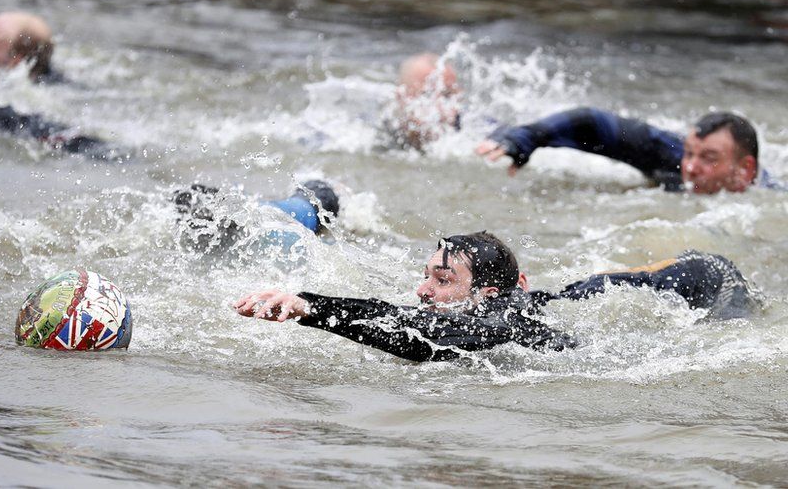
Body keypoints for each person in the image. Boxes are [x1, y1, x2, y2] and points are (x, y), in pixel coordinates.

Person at [235, 232, 760, 362]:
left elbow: (426, 341)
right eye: (425, 276)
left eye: (442, 281)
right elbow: (396, 315)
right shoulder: (477, 305)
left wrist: (313, 309)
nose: (423, 290)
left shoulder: (497, 321)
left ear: (486, 294)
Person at [475, 107, 780, 194]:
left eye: (709, 159)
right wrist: (522, 141)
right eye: (690, 153)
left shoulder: (771, 199)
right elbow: (591, 121)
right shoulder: (670, 155)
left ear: (746, 170)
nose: (690, 167)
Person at [173, 180, 340, 253]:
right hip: (294, 200)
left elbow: (322, 246)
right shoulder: (243, 213)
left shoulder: (264, 228)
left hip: (320, 198)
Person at [390, 53, 461, 149]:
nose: (440, 110)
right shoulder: (378, 138)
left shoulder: (475, 129)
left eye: (447, 97)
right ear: (401, 98)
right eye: (427, 96)